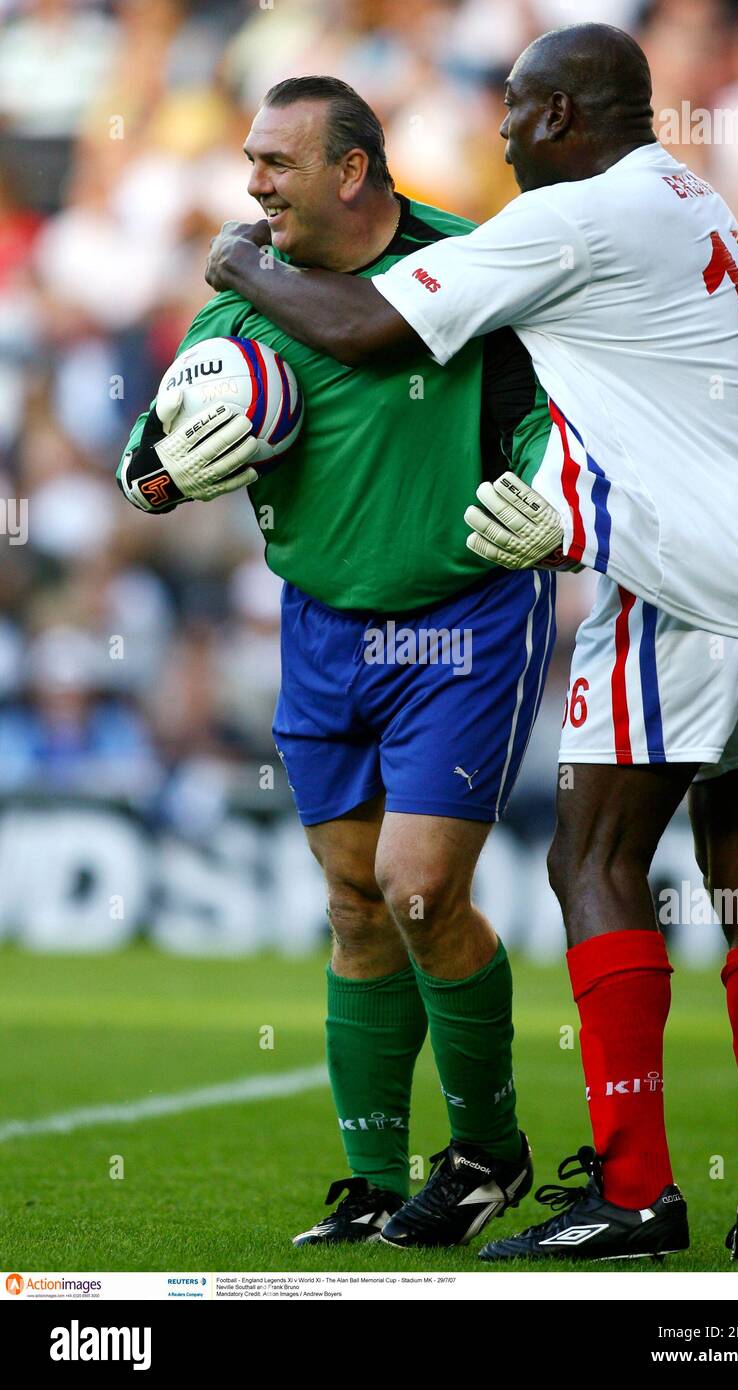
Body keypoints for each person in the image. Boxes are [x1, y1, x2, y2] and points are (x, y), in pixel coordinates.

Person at [205, 27, 738, 1265]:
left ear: (559, 115)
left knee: (592, 863)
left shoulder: (576, 216)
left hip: (685, 568)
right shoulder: (684, 192)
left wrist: (239, 266)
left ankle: (638, 1192)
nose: (493, 133)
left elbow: (368, 330)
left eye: (510, 109)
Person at [118, 77, 559, 1250]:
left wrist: (545, 491)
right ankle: (372, 1176)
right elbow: (144, 464)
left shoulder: (471, 264)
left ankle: (486, 1155)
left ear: (351, 171)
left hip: (460, 619)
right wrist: (166, 471)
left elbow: (541, 412)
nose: (251, 184)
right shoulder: (236, 313)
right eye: (249, 159)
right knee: (356, 908)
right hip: (318, 627)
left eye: (275, 162)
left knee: (419, 888)